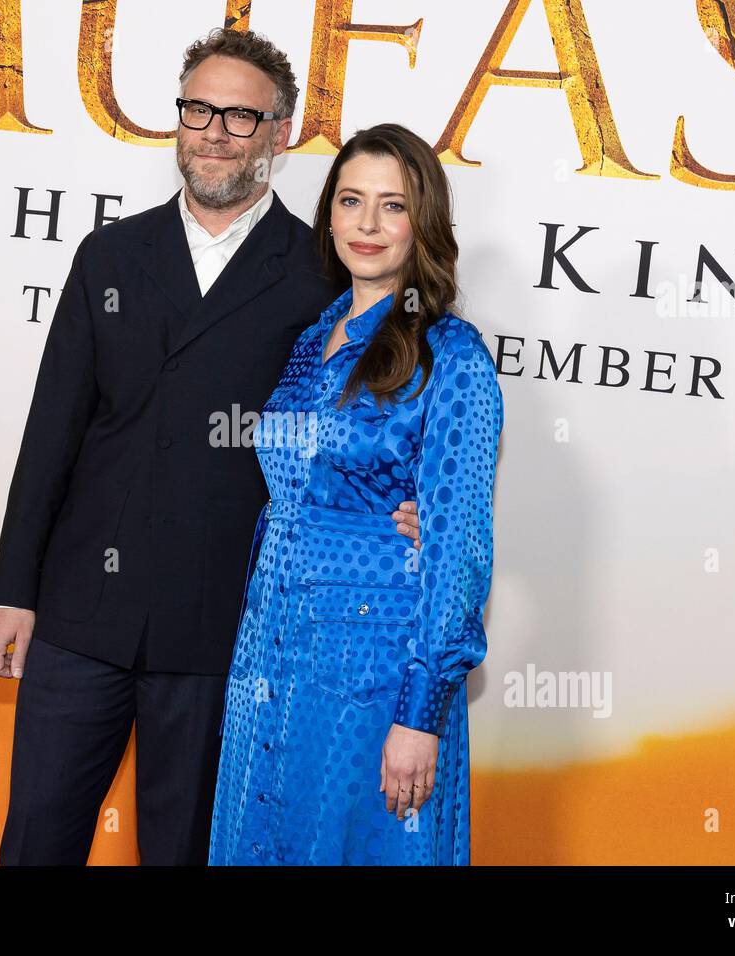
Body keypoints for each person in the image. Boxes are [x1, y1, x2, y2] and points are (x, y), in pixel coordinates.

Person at [0, 30, 421, 866]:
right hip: (78, 617)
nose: (214, 130)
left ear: (279, 133)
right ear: (177, 120)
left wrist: (409, 510)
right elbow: (52, 433)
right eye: (198, 109)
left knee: (182, 854)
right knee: (35, 843)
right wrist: (15, 589)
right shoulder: (107, 255)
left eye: (240, 115)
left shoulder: (325, 275)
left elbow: (372, 421)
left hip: (223, 632)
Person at [208, 123, 504, 865]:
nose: (368, 225)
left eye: (393, 206)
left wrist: (420, 715)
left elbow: (461, 549)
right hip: (273, 651)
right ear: (329, 215)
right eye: (351, 201)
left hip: (374, 671)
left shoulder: (451, 353)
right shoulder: (310, 339)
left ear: (423, 222)